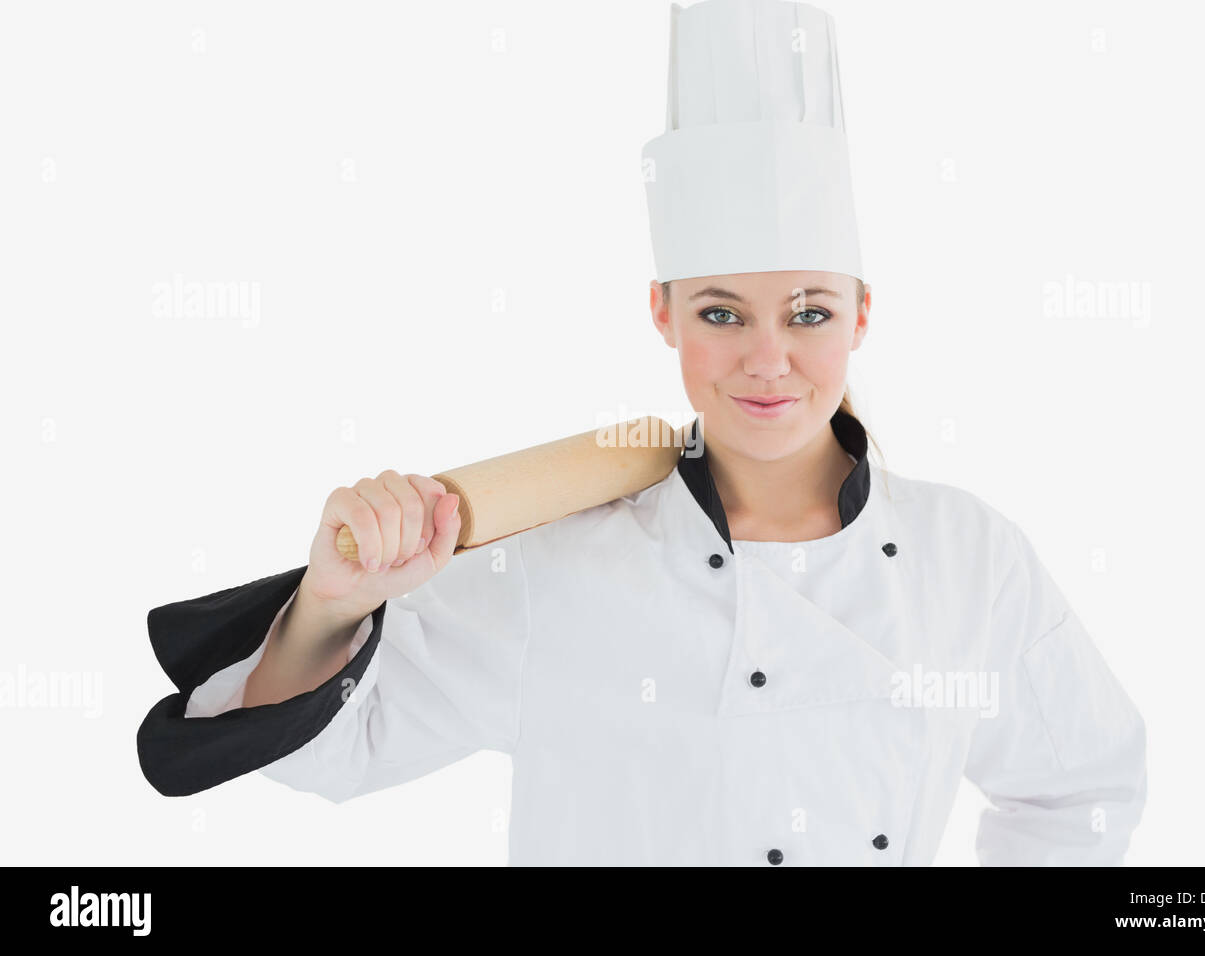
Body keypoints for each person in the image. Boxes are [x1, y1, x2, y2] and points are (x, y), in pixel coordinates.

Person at [138, 0, 1147, 866]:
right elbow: (328, 752)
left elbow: (1083, 786)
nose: (767, 359)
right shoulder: (561, 564)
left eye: (808, 312)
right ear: (662, 313)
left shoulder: (968, 557)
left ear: (862, 316)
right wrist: (331, 601)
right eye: (720, 313)